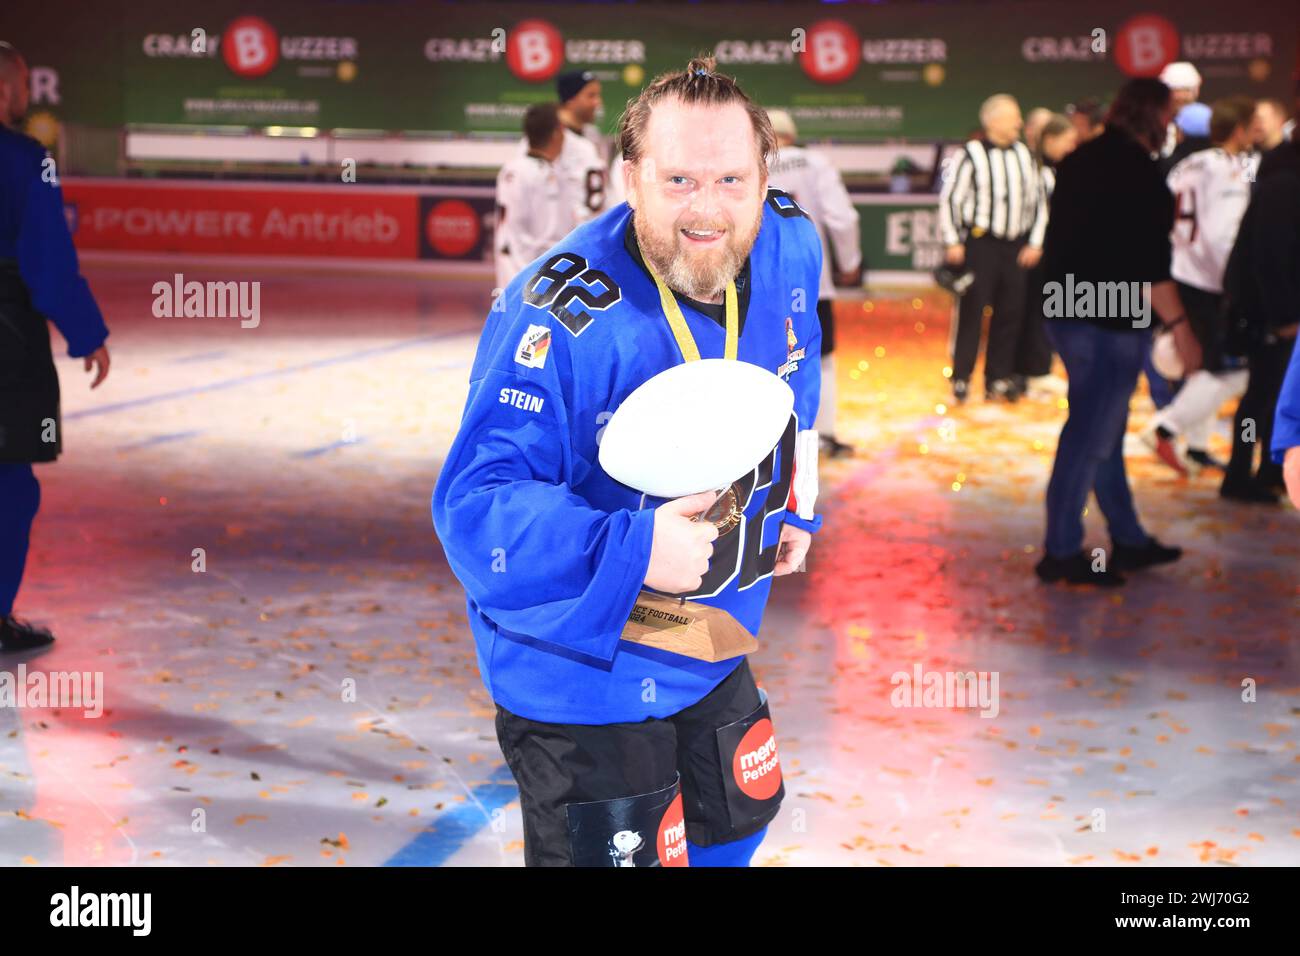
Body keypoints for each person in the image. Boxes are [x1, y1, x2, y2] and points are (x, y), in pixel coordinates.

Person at [432, 56, 824, 867]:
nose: (707, 210)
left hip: (706, 637)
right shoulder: (557, 317)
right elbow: (476, 510)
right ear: (631, 177)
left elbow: (797, 370)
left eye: (730, 179)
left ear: (764, 178)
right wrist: (633, 546)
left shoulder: (789, 242)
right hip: (580, 663)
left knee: (736, 833)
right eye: (678, 179)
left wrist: (793, 499)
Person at [1035, 77, 1202, 587]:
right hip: (1112, 315)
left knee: (1097, 427)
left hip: (1066, 307)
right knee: (1091, 432)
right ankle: (1060, 551)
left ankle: (1126, 539)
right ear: (1153, 117)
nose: (1172, 125)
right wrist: (1183, 330)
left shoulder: (1081, 160)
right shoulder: (1142, 175)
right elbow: (1151, 265)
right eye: (1168, 115)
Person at [0, 41, 110, 650]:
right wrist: (87, 333)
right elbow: (48, 261)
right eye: (20, 87)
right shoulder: (25, 159)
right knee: (9, 482)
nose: (25, 98)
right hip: (7, 343)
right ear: (6, 89)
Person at [1142, 97, 1257, 477]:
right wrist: (1233, 285)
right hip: (1207, 281)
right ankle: (1164, 428)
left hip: (1177, 273)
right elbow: (1223, 237)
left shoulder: (1187, 165)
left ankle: (1196, 446)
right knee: (1227, 372)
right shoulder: (1227, 172)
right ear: (1238, 129)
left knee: (1199, 368)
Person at [765, 109, 862, 457]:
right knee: (822, 358)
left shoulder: (749, 166)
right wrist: (849, 261)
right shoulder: (815, 162)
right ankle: (823, 434)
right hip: (811, 280)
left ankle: (771, 440)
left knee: (768, 358)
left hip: (764, 283)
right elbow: (842, 217)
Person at [938, 94, 1045, 403]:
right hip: (981, 244)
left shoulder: (1024, 155)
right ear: (994, 121)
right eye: (1014, 117)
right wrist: (953, 239)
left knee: (1010, 313)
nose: (1020, 124)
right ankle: (961, 377)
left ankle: (997, 377)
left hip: (1016, 247)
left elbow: (1039, 203)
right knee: (971, 311)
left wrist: (1035, 242)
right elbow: (951, 199)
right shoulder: (971, 154)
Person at [1220, 134, 1300, 503]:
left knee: (1271, 398)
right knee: (1260, 400)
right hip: (1272, 315)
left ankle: (1268, 470)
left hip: (1276, 312)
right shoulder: (1284, 187)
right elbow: (1268, 258)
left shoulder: (1281, 182)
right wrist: (1282, 317)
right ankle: (1240, 472)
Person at [1013, 113, 1077, 397]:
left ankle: (1039, 367)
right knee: (1035, 311)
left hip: (1053, 252)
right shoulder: (1038, 171)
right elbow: (1042, 212)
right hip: (1039, 251)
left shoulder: (1058, 169)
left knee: (1048, 310)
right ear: (1049, 140)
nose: (1071, 148)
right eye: (1067, 142)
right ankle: (1034, 370)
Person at [493, 103, 574, 293]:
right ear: (556, 133)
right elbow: (550, 234)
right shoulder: (542, 175)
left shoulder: (512, 169)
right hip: (531, 279)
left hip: (515, 274)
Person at [546, 70, 608, 225]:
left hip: (591, 230)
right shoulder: (547, 138)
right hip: (560, 237)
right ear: (571, 99)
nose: (598, 102)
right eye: (590, 96)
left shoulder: (593, 136)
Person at [1158, 61, 1202, 159]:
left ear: (1196, 91)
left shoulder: (1208, 124)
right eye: (1175, 90)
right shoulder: (1153, 124)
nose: (1181, 96)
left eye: (1186, 90)